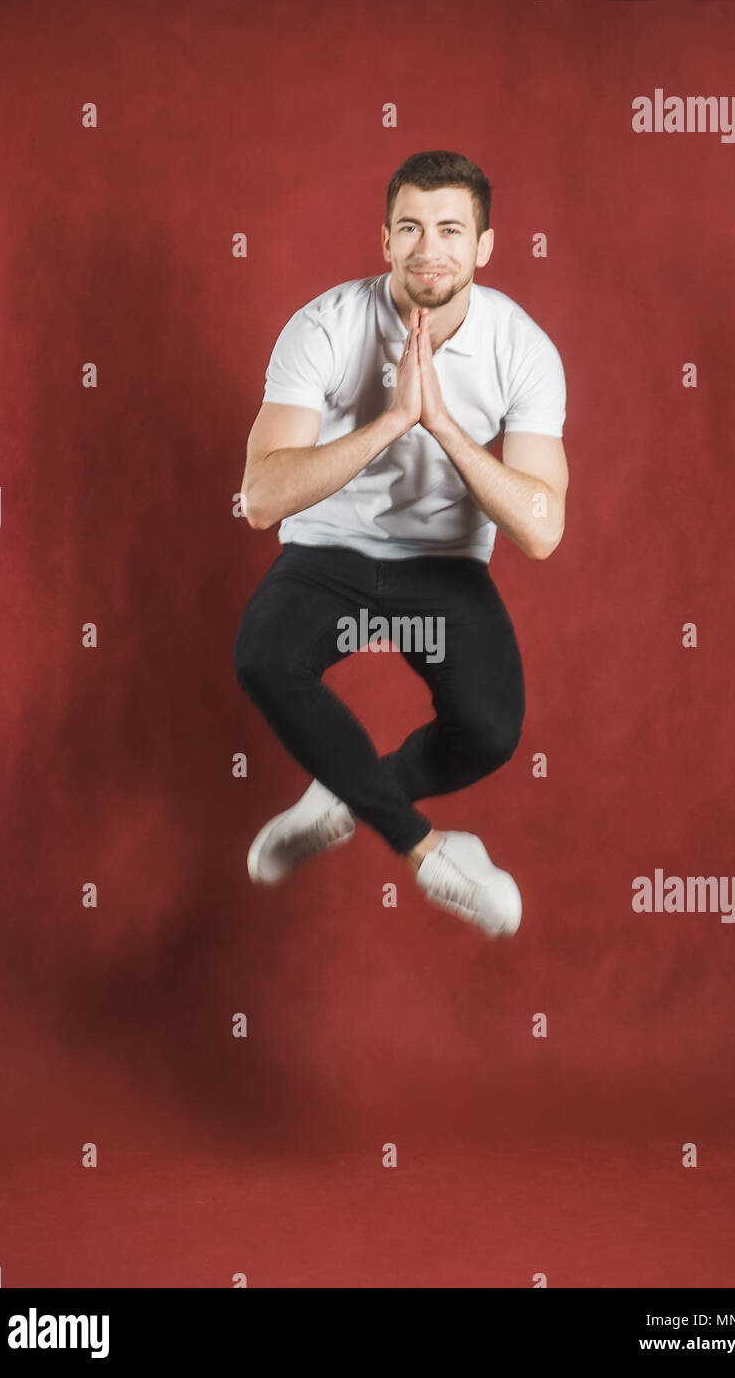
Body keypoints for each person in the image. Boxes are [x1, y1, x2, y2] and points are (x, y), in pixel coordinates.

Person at [233, 151, 568, 938]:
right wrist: (389, 422)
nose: (429, 249)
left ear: (484, 245)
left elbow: (542, 529)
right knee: (264, 656)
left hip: (442, 566)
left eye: (451, 229)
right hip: (328, 553)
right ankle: (427, 853)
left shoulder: (523, 350)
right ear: (384, 240)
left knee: (489, 731)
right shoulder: (323, 326)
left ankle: (349, 794)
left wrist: (444, 425)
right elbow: (260, 500)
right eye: (411, 228)